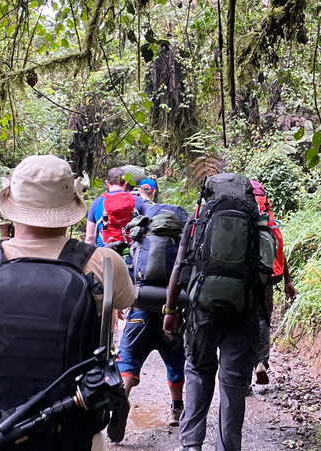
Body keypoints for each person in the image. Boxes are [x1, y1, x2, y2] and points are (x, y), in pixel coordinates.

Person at [0, 155, 135, 451]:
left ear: (12, 203)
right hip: (71, 434)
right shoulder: (105, 263)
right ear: (71, 203)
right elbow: (126, 300)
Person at [163, 174, 264, 451]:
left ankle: (191, 445)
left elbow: (179, 267)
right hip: (243, 313)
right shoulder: (256, 220)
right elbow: (266, 273)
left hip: (202, 312)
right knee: (233, 384)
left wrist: (170, 309)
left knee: (197, 371)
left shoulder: (198, 220)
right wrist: (260, 315)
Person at [106, 177, 188, 442]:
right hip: (171, 311)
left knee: (128, 358)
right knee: (175, 360)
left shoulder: (138, 241)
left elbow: (127, 275)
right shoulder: (180, 246)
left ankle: (123, 397)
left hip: (140, 310)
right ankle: (176, 410)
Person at [249, 180, 297, 386]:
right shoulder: (267, 216)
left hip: (238, 278)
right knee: (262, 319)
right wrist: (288, 281)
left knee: (240, 323)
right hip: (265, 278)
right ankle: (260, 362)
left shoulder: (237, 213)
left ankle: (242, 378)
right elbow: (279, 250)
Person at [85, 167, 146, 247]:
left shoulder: (96, 203)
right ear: (125, 183)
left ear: (107, 183)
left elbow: (89, 237)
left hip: (105, 253)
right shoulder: (137, 201)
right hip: (131, 252)